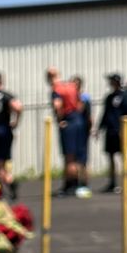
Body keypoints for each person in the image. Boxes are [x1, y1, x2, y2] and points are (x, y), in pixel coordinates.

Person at [47, 67, 85, 197]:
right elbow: (81, 104)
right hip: (78, 121)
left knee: (69, 157)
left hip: (68, 122)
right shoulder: (71, 86)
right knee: (76, 156)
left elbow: (57, 105)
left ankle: (71, 185)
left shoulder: (56, 89)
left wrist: (60, 119)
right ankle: (76, 183)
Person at [95, 73, 126, 193]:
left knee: (124, 156)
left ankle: (126, 181)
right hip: (110, 131)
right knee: (111, 157)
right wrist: (99, 128)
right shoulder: (109, 97)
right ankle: (112, 182)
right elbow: (105, 114)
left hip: (121, 131)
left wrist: (124, 130)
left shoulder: (124, 96)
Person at [73, 76, 93, 197]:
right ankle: (75, 182)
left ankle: (84, 183)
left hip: (83, 131)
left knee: (83, 158)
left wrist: (91, 129)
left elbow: (89, 116)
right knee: (74, 158)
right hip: (74, 131)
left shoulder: (84, 98)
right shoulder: (71, 98)